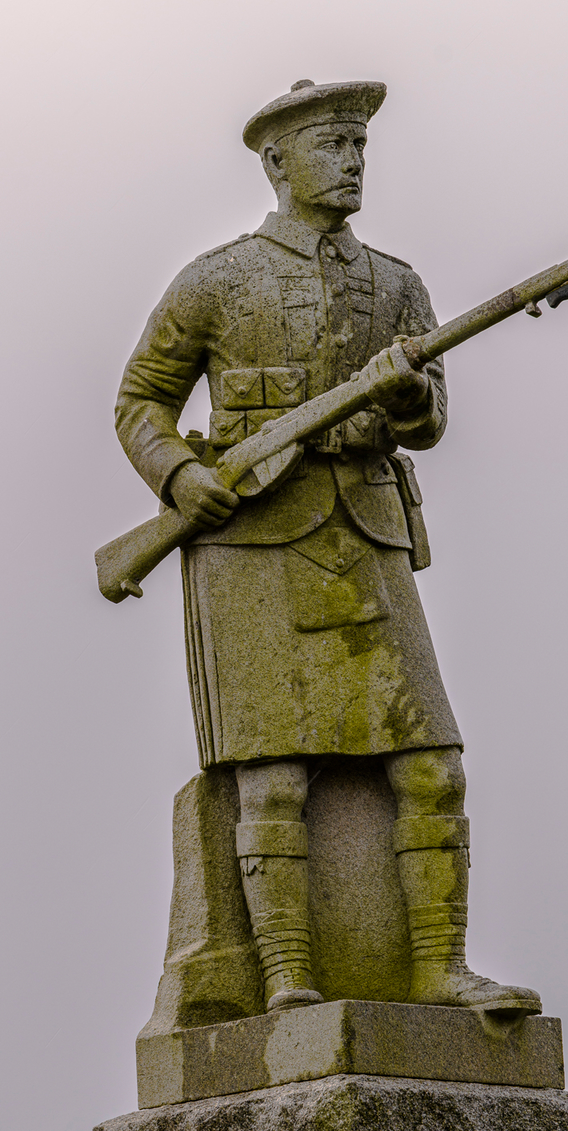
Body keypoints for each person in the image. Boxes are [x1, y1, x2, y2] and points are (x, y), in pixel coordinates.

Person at [115, 79, 540, 1016]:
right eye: (331, 144)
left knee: (434, 764)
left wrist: (404, 399)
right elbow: (141, 401)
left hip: (369, 528)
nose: (352, 161)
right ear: (276, 161)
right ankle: (285, 978)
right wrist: (183, 479)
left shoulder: (396, 283)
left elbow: (430, 421)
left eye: (359, 145)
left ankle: (438, 967)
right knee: (273, 778)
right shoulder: (215, 280)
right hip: (252, 543)